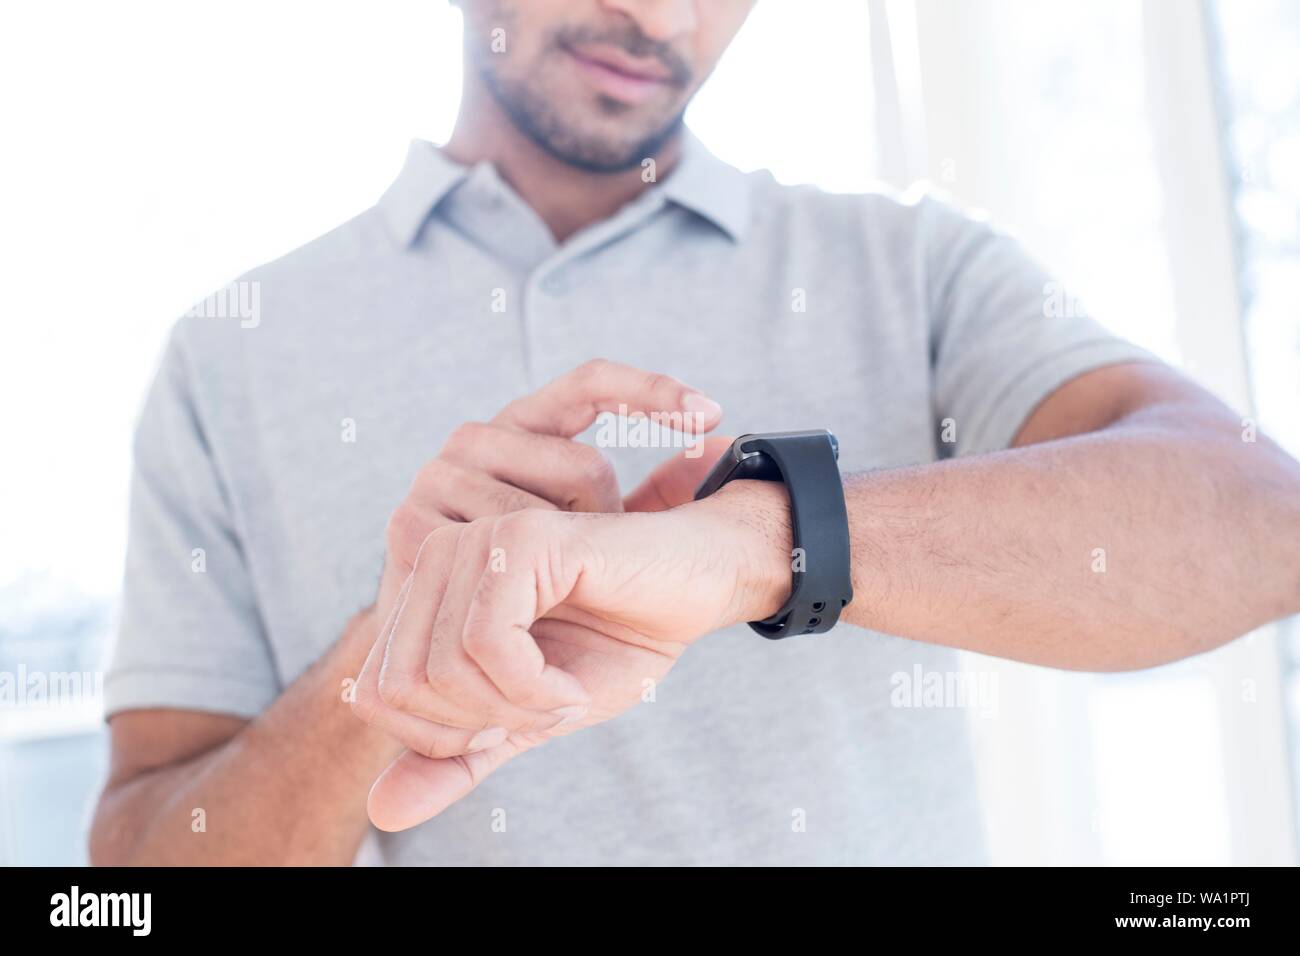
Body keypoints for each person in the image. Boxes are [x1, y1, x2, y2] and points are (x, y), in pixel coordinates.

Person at [90, 0, 1300, 865]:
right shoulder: (232, 351)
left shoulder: (907, 265)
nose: (660, 17)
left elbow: (1261, 520)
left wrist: (749, 544)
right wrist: (399, 638)